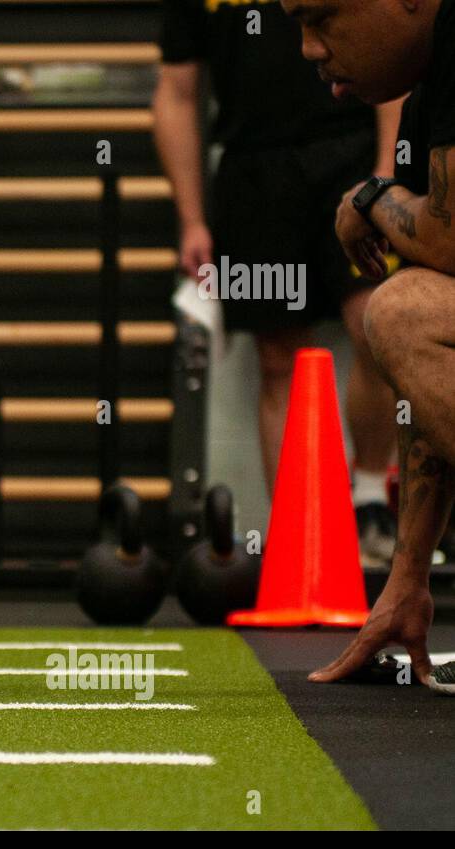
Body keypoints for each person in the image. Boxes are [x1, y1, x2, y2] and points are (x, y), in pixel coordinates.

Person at [153, 0, 404, 564]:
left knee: (379, 325)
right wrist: (192, 219)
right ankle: (304, 532)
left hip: (349, 157)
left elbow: (392, 61)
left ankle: (368, 499)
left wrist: (386, 173)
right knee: (276, 357)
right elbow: (176, 94)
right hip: (252, 177)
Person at [266, 0, 455, 691]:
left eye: (322, 17)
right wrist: (406, 580)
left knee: (400, 311)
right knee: (415, 312)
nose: (311, 49)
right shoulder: (427, 99)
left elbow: (448, 236)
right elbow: (435, 363)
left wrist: (372, 196)